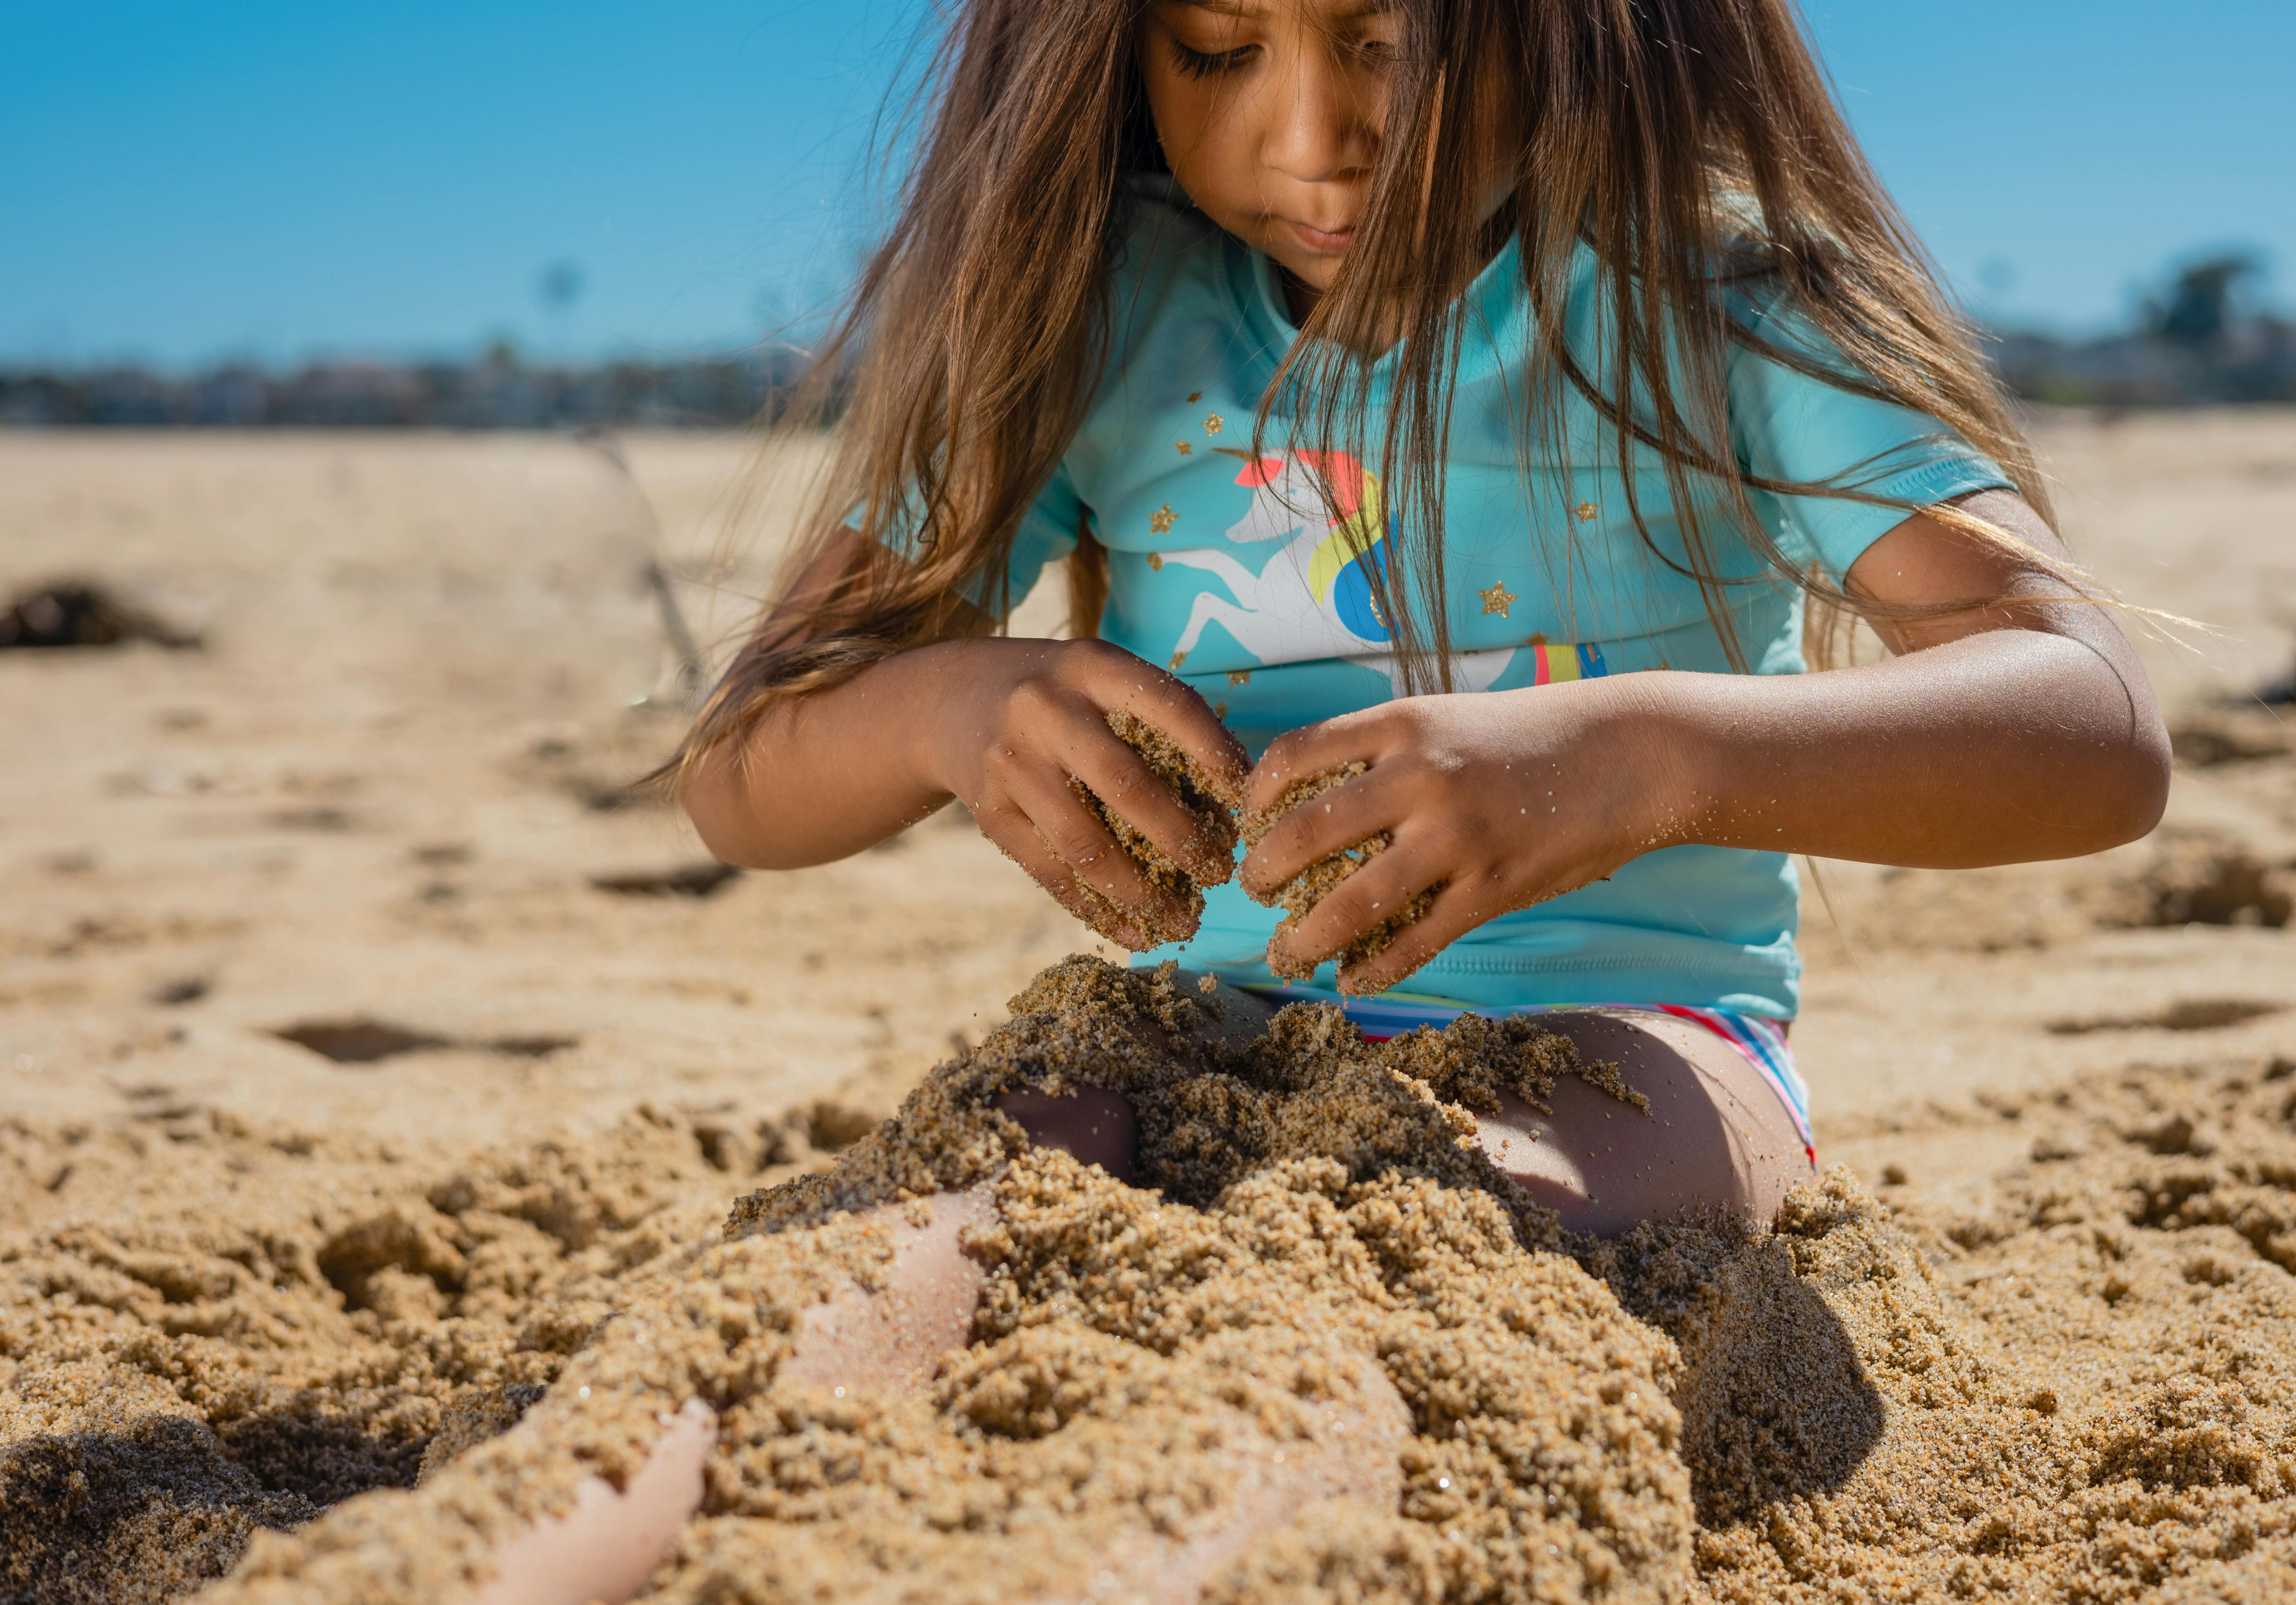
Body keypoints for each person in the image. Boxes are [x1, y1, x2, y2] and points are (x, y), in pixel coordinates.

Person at [465, 0, 2169, 1588]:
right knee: (908, 1262)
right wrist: (938, 706)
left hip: (1638, 1043)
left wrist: (1645, 755)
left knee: (1394, 1281)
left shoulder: (1718, 306)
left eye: (1388, 38)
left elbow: (2087, 717)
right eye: (1216, 47)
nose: (1316, 136)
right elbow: (745, 774)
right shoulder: (1100, 312)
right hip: (1181, 1026)